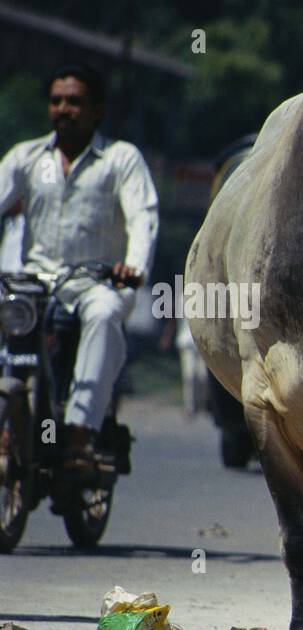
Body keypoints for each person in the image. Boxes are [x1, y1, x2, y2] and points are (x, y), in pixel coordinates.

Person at [0, 63, 158, 475]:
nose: (63, 109)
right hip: (35, 283)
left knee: (105, 313)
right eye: (56, 101)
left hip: (95, 282)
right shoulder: (27, 157)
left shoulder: (120, 159)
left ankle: (78, 433)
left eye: (74, 101)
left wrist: (134, 266)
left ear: (97, 110)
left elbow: (142, 217)